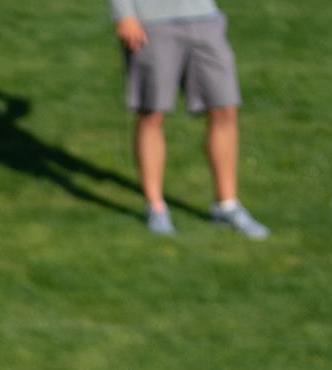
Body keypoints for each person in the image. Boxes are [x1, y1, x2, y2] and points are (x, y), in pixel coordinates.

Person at [112, 0, 267, 238]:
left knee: (225, 109)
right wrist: (124, 14)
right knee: (151, 113)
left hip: (205, 17)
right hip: (149, 20)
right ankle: (156, 207)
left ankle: (227, 205)